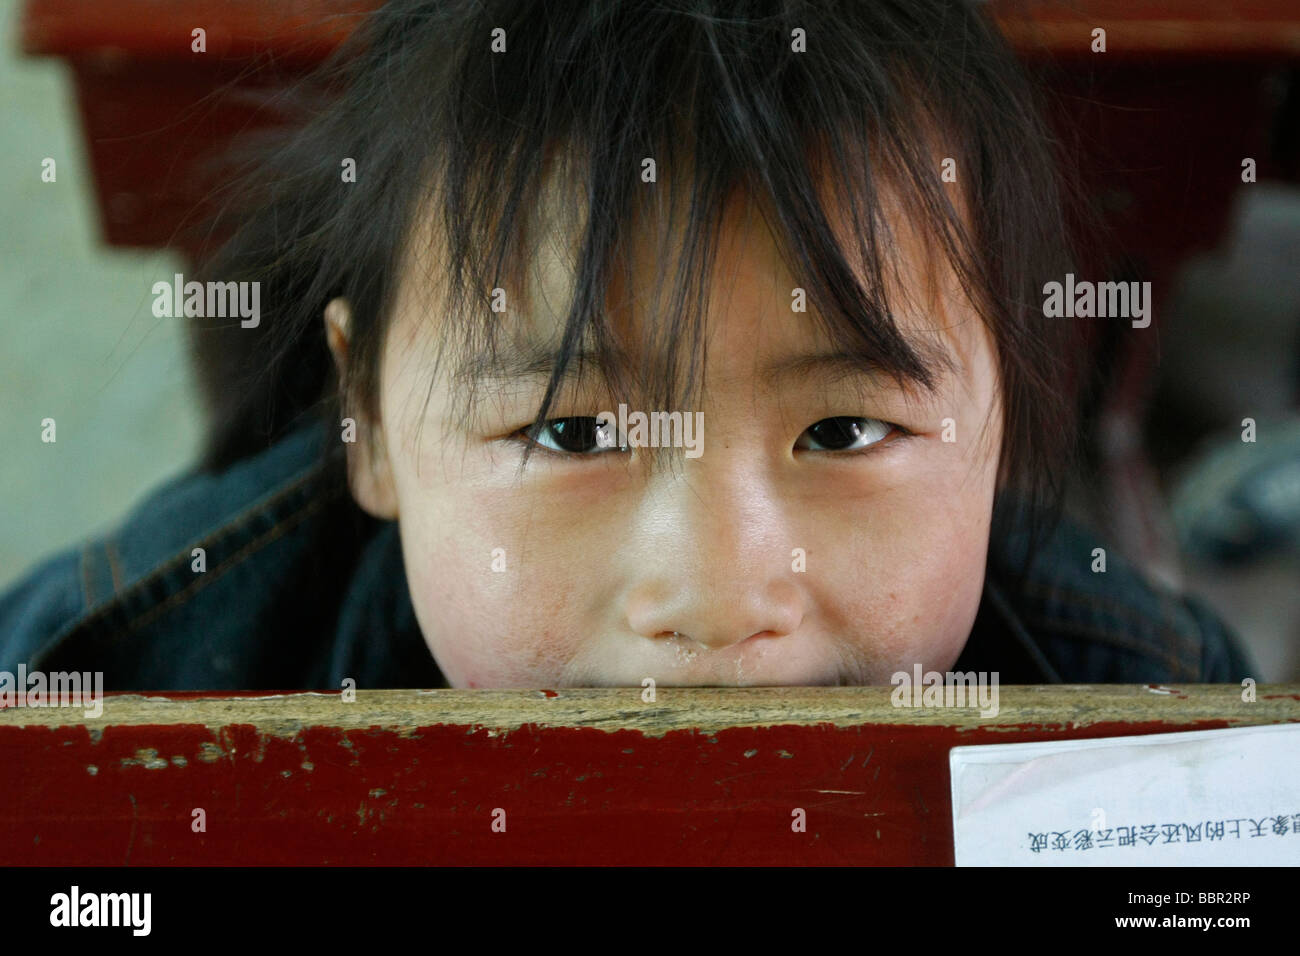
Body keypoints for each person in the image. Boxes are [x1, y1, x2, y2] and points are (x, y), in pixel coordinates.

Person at [0, 0, 1254, 690]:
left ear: (1002, 405)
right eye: (570, 428)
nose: (717, 596)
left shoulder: (1150, 704)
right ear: (369, 423)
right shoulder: (99, 676)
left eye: (842, 428)